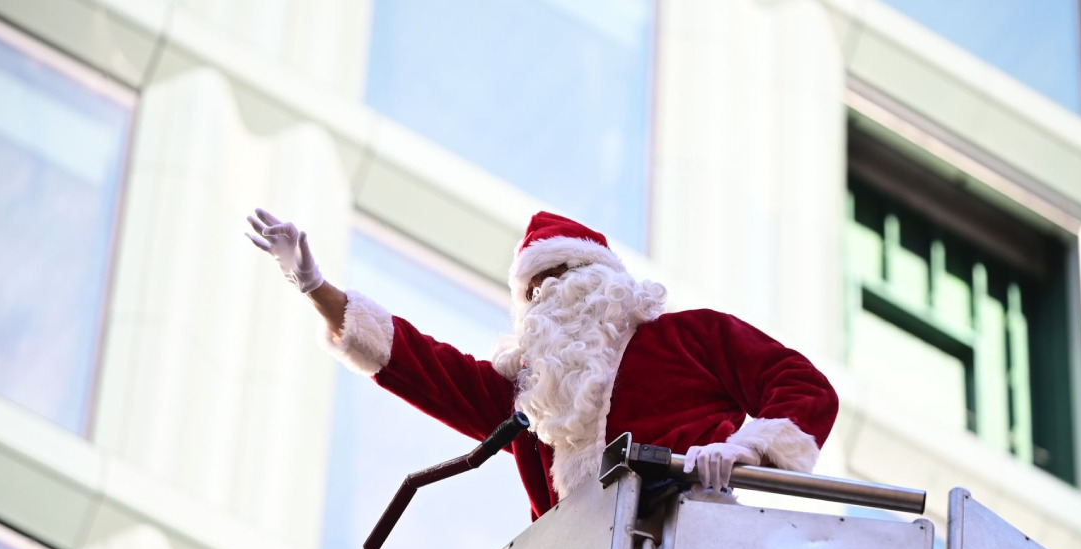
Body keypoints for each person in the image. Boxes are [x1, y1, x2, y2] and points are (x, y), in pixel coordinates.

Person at [245, 208, 838, 518]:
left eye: (565, 275)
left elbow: (802, 385)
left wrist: (746, 448)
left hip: (696, 539)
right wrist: (315, 286)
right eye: (535, 290)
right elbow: (418, 361)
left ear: (606, 281)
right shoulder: (531, 403)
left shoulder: (688, 335)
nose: (551, 295)